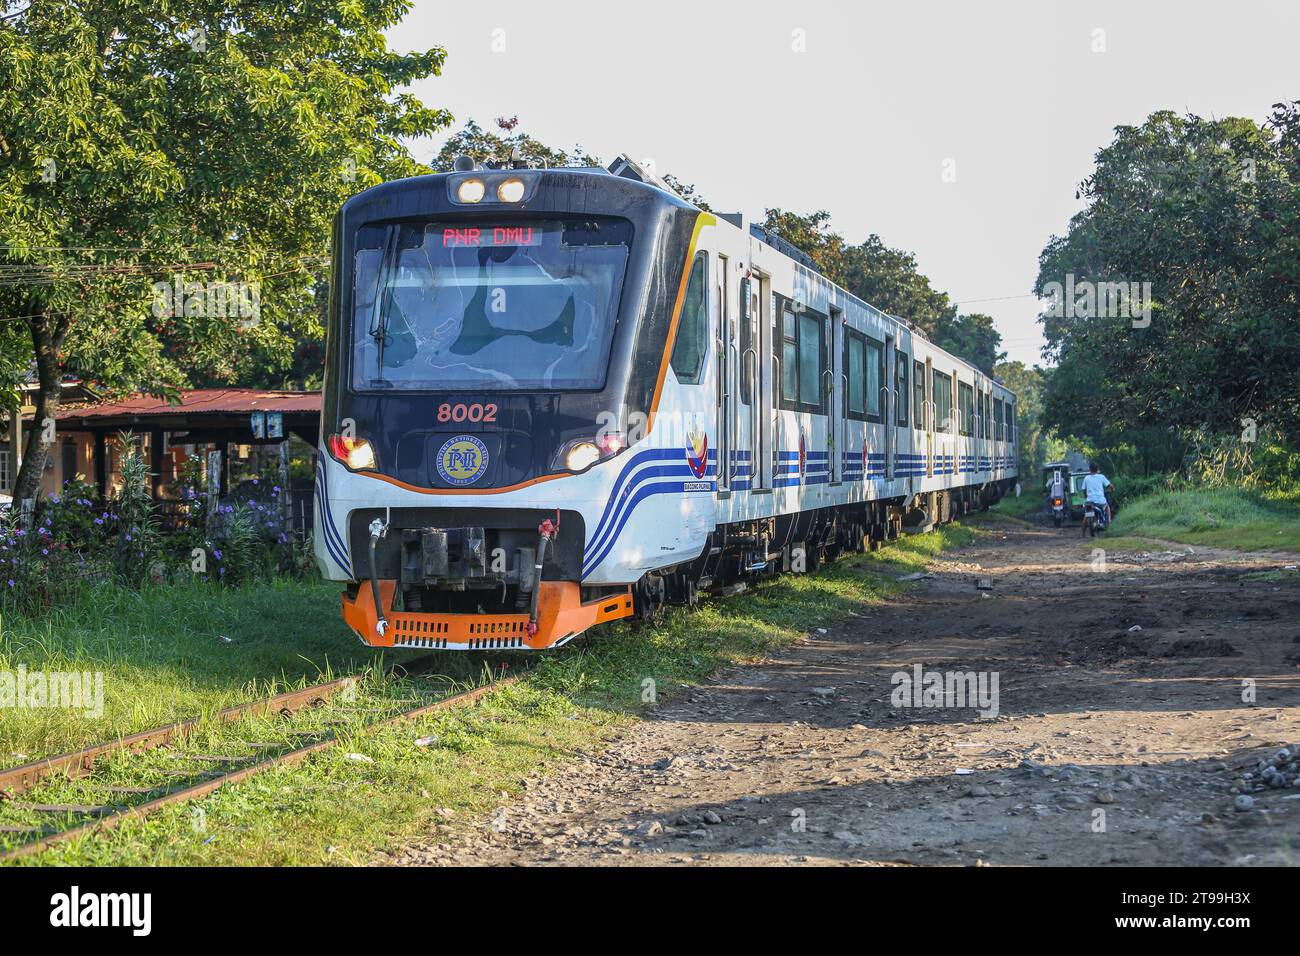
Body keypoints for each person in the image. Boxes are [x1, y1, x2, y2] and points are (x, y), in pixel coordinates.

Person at [1081, 462, 1114, 535]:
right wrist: (1111, 489)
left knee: (1086, 516)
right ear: (1098, 469)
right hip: (1100, 501)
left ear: (1089, 470)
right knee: (1107, 508)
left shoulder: (1086, 478)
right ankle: (1109, 524)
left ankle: (1083, 534)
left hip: (1090, 501)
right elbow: (1110, 486)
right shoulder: (1101, 476)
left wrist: (1086, 496)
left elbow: (1083, 489)